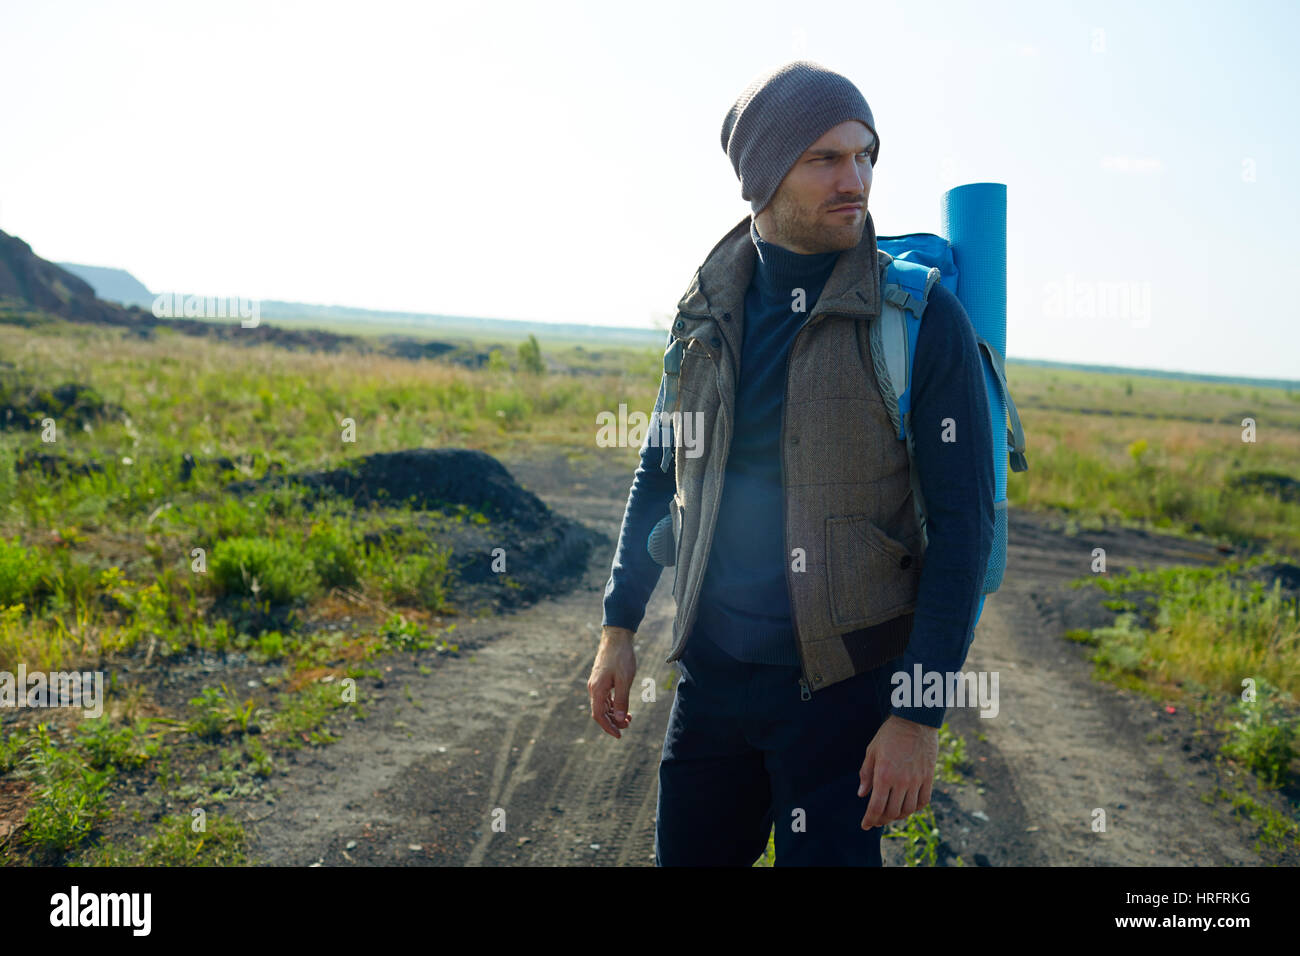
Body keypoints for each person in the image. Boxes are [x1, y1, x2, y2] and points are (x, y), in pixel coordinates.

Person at [588, 60, 995, 866]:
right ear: (764, 175)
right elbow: (661, 472)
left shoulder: (917, 319)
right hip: (711, 687)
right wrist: (619, 622)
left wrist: (917, 716)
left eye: (866, 155)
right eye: (827, 159)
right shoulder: (706, 311)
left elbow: (963, 530)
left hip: (845, 701)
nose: (859, 180)